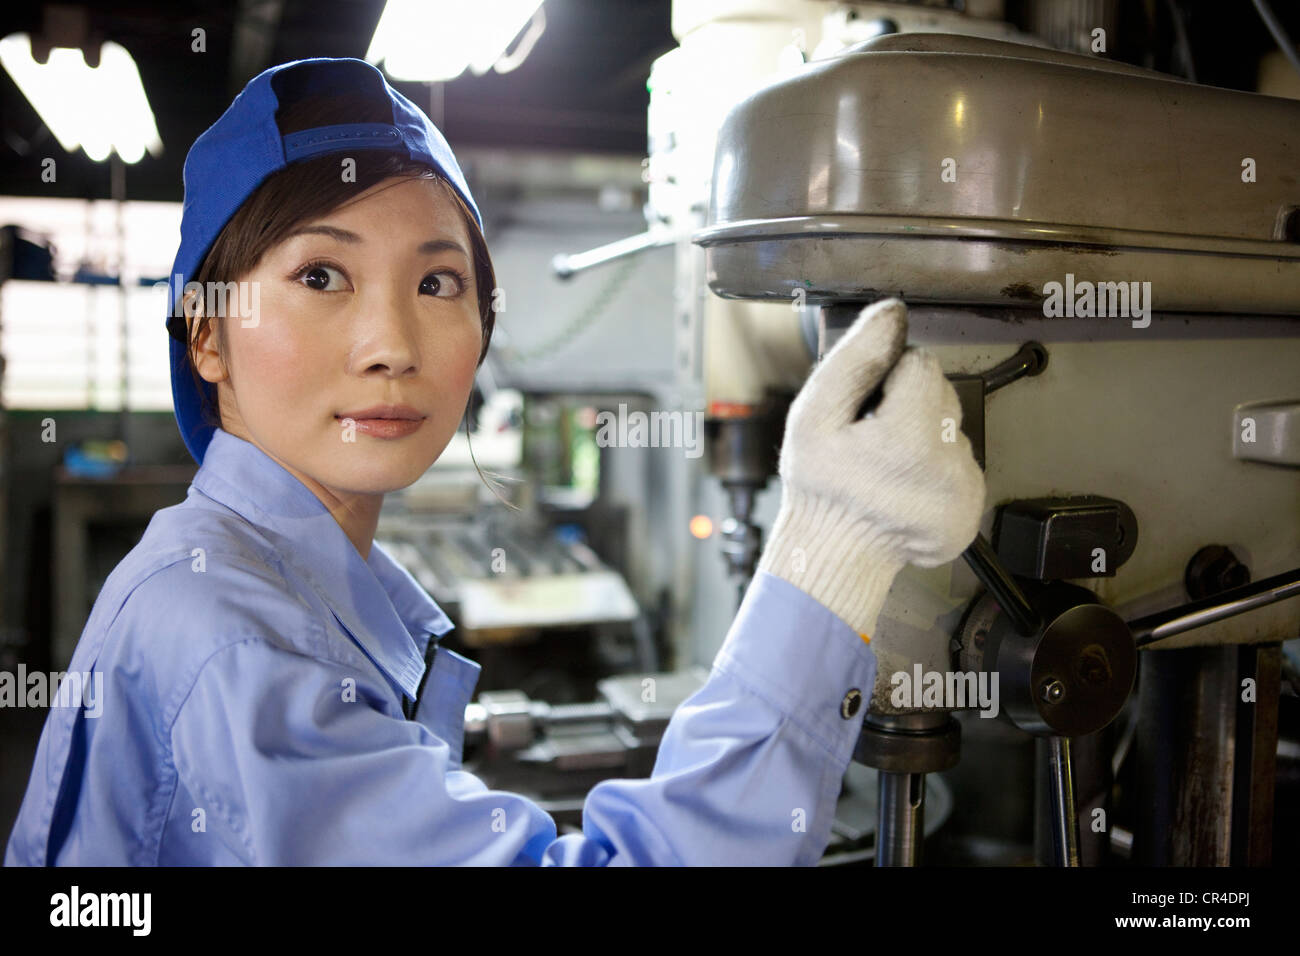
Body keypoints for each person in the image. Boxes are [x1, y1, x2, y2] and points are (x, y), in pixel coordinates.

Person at [4, 57, 984, 866]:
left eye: (437, 280)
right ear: (206, 336)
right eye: (319, 275)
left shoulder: (272, 582)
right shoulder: (225, 632)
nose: (390, 341)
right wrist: (838, 542)